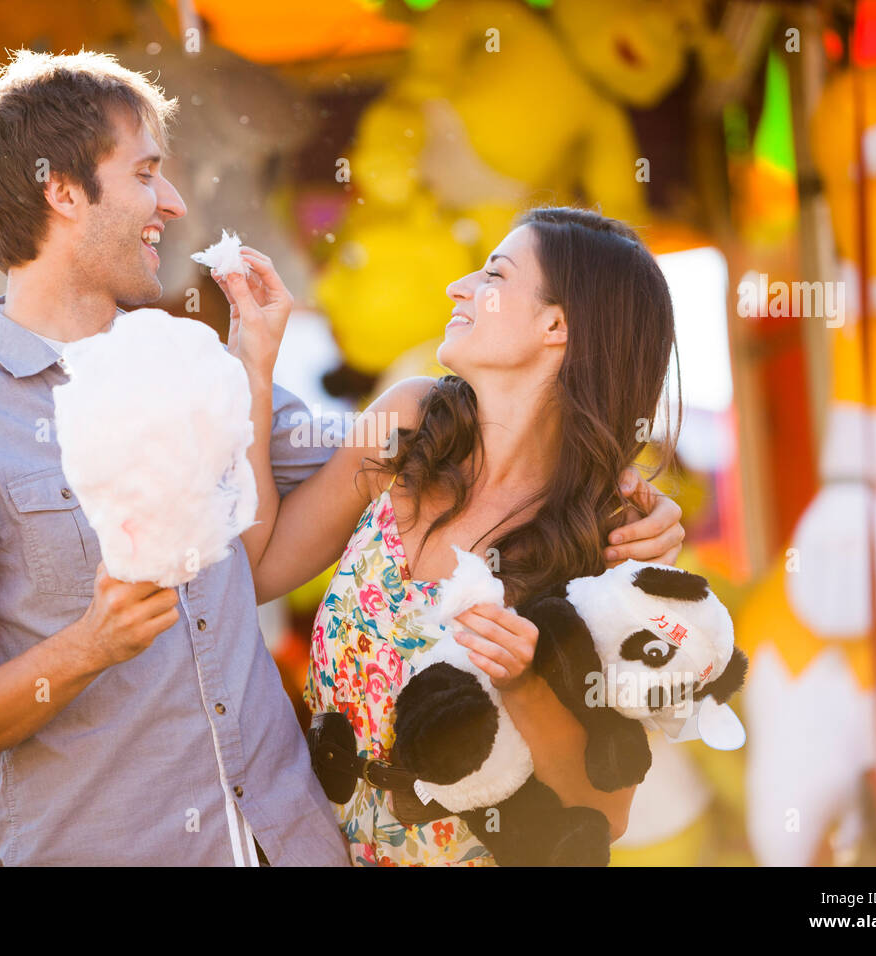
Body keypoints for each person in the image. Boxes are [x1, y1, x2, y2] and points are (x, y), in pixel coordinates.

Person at [0, 50, 352, 866]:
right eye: (146, 173)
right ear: (63, 192)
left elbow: (370, 460)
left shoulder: (195, 364)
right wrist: (90, 646)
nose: (174, 202)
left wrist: (618, 480)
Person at [219, 206, 684, 865]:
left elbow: (601, 813)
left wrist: (523, 684)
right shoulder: (410, 423)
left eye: (494, 273)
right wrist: (254, 367)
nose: (457, 287)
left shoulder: (612, 545)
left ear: (558, 324)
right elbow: (257, 570)